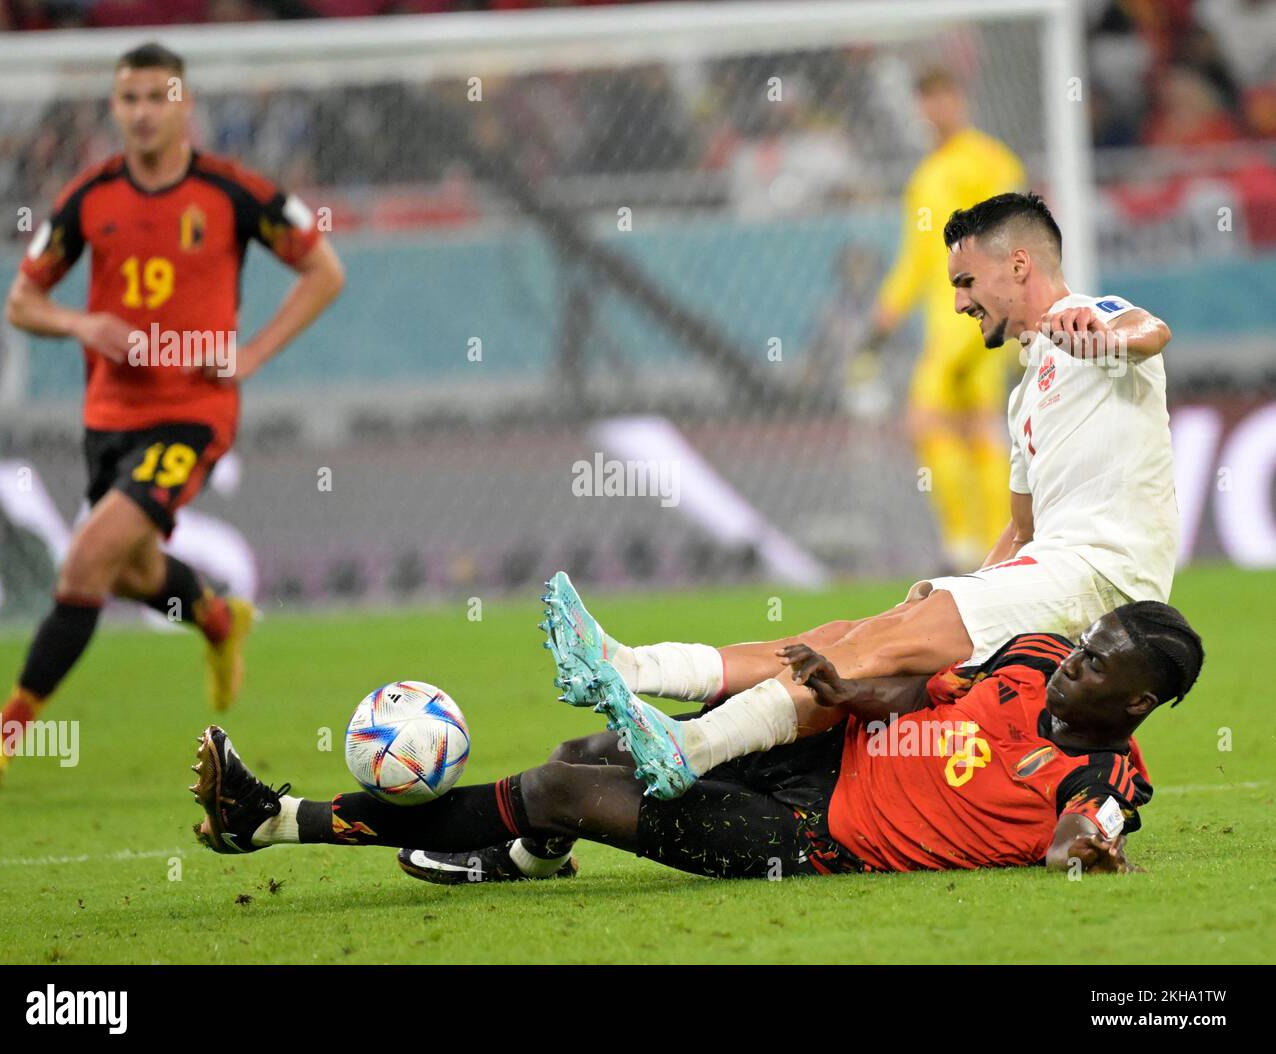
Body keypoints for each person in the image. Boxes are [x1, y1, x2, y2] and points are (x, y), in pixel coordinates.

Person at [540, 190, 1178, 798]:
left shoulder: (1096, 322)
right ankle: (632, 668)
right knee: (849, 633)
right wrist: (968, 591)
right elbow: (1024, 527)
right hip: (1056, 572)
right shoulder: (1024, 391)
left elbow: (1151, 332)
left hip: (1106, 582)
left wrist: (1100, 333)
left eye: (965, 283)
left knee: (872, 652)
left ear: (1018, 265)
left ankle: (693, 748)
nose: (958, 303)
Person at [188, 602, 1203, 882]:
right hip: (821, 754)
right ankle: (525, 863)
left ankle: (270, 820)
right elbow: (927, 683)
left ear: (1143, 697)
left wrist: (1083, 846)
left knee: (559, 787)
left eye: (1105, 658)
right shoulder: (1028, 654)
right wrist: (845, 688)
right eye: (1091, 639)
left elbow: (1086, 827)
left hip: (808, 835)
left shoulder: (1106, 772)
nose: (1081, 655)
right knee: (587, 751)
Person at [0, 42, 344, 788]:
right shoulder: (88, 198)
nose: (142, 113)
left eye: (156, 97)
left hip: (193, 415)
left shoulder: (234, 192)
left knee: (85, 558)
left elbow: (322, 270)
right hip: (109, 415)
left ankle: (2, 734)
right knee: (129, 569)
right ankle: (214, 617)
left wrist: (250, 356)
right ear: (115, 108)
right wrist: (84, 326)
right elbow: (22, 301)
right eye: (128, 99)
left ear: (185, 105)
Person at [858, 68, 1026, 570]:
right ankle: (999, 551)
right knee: (979, 427)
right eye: (927, 100)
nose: (937, 109)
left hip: (980, 318)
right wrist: (883, 320)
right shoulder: (927, 174)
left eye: (944, 97)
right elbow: (917, 260)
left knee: (927, 419)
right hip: (947, 318)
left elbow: (1018, 235)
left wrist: (1013, 309)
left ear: (961, 99)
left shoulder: (988, 160)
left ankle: (966, 545)